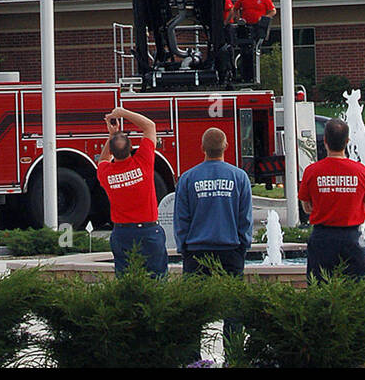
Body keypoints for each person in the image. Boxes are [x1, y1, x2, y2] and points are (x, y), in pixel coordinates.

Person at [174, 126, 251, 345]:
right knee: (233, 310)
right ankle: (233, 355)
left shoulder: (188, 179)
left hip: (196, 252)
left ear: (202, 148)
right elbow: (244, 219)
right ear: (226, 147)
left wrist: (184, 248)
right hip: (230, 250)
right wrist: (241, 246)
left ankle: (191, 358)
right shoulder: (239, 177)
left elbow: (182, 219)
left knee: (193, 310)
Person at [97, 105, 167, 277]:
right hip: (149, 232)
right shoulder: (143, 161)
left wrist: (112, 135)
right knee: (156, 281)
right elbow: (149, 126)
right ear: (131, 149)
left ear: (113, 152)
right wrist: (123, 113)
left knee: (126, 282)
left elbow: (104, 159)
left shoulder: (106, 173)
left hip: (122, 234)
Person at [298, 118, 365, 282]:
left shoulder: (312, 171)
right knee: (355, 287)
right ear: (347, 141)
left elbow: (306, 206)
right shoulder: (360, 171)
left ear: (325, 141)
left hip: (323, 236)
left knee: (319, 285)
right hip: (352, 237)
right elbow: (364, 206)